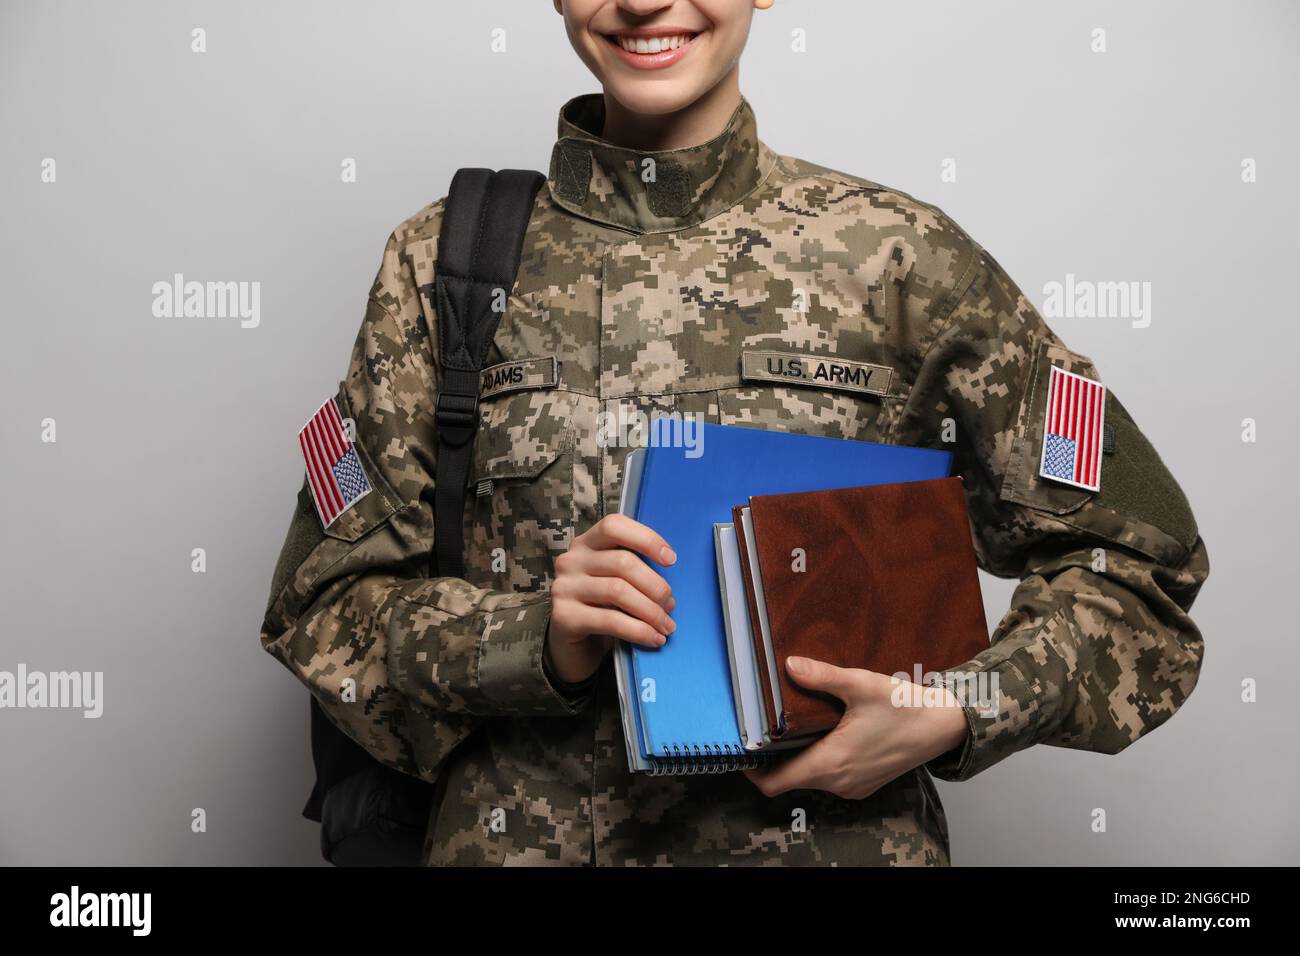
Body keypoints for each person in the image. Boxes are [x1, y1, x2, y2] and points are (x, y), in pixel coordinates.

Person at [261, 0, 1208, 865]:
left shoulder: (901, 261)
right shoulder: (444, 267)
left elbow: (1140, 567)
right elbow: (319, 609)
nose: (643, 2)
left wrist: (960, 709)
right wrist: (530, 640)